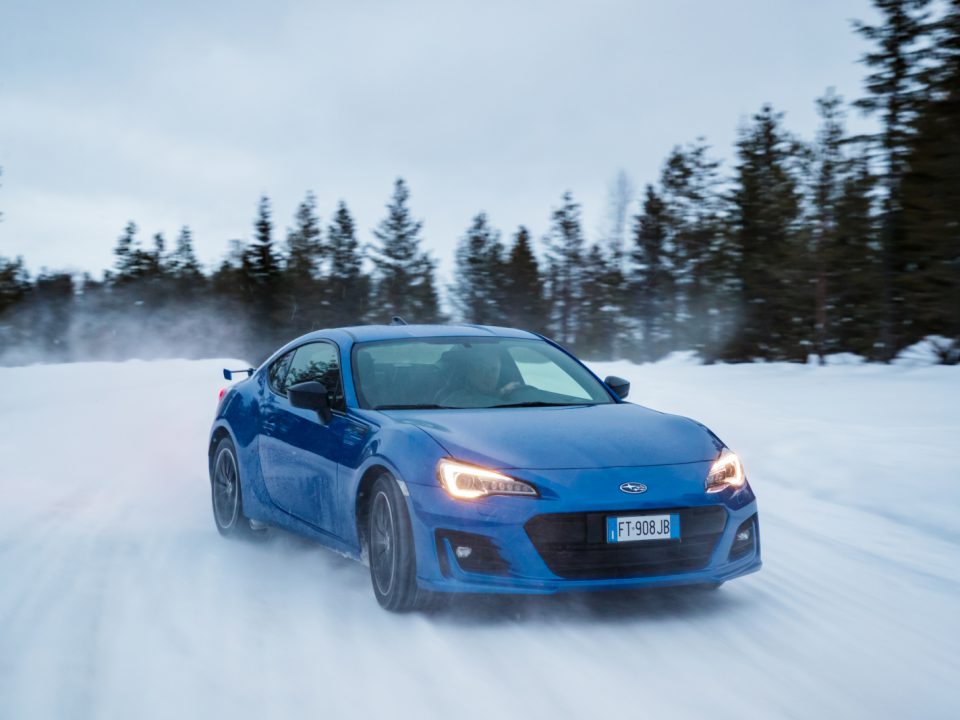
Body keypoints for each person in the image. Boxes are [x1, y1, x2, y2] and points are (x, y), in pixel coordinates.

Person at [440, 344, 523, 407]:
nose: (489, 375)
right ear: (470, 370)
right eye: (483, 368)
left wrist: (501, 392)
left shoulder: (509, 394)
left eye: (494, 369)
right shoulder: (458, 399)